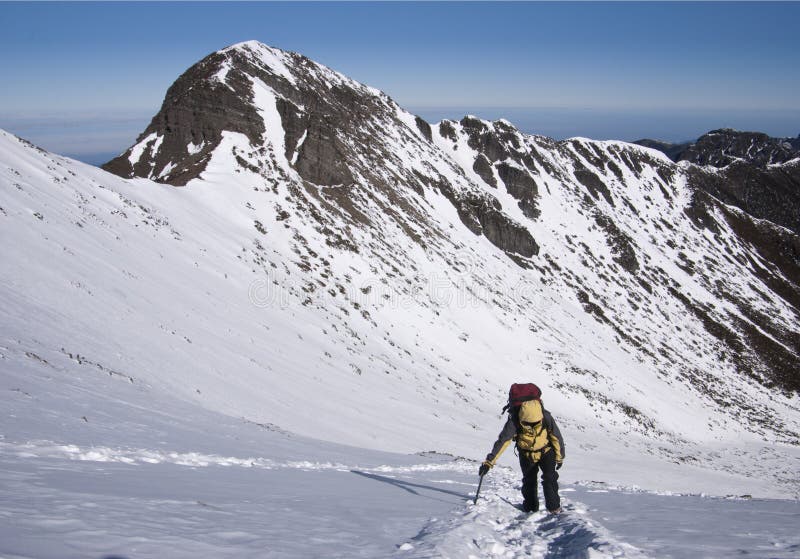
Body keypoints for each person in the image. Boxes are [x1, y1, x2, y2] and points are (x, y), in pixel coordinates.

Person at [479, 383, 564, 513]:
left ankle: (552, 508)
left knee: (547, 478)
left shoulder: (544, 416)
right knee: (540, 479)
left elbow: (556, 437)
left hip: (544, 451)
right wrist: (489, 462)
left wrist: (559, 457)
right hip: (529, 452)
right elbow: (503, 441)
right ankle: (534, 509)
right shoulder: (515, 420)